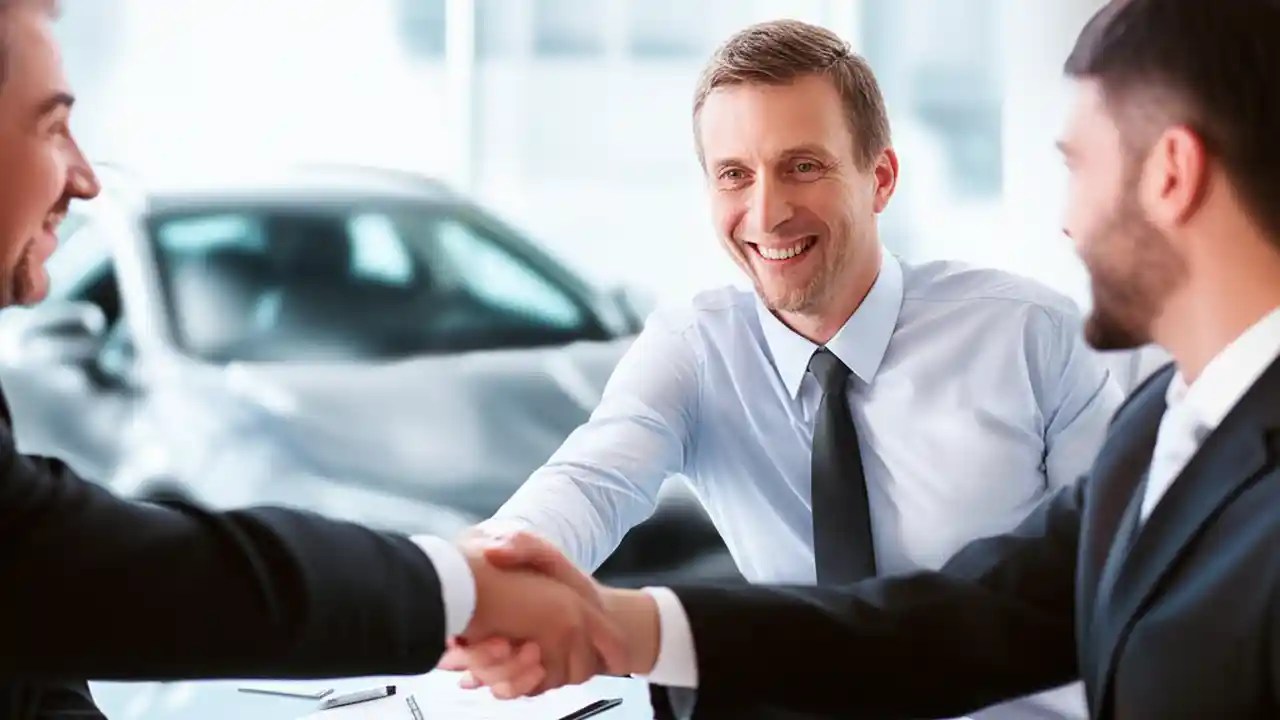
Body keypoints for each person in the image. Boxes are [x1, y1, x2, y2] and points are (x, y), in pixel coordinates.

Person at [459, 0, 1280, 717]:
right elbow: (952, 620)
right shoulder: (1162, 425)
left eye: (1077, 166)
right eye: (734, 175)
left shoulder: (1037, 338)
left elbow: (1066, 620)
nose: (767, 212)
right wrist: (558, 603)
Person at [0, 2, 622, 718]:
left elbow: (30, 635)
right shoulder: (209, 412)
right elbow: (106, 573)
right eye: (51, 127)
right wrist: (462, 589)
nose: (84, 178)